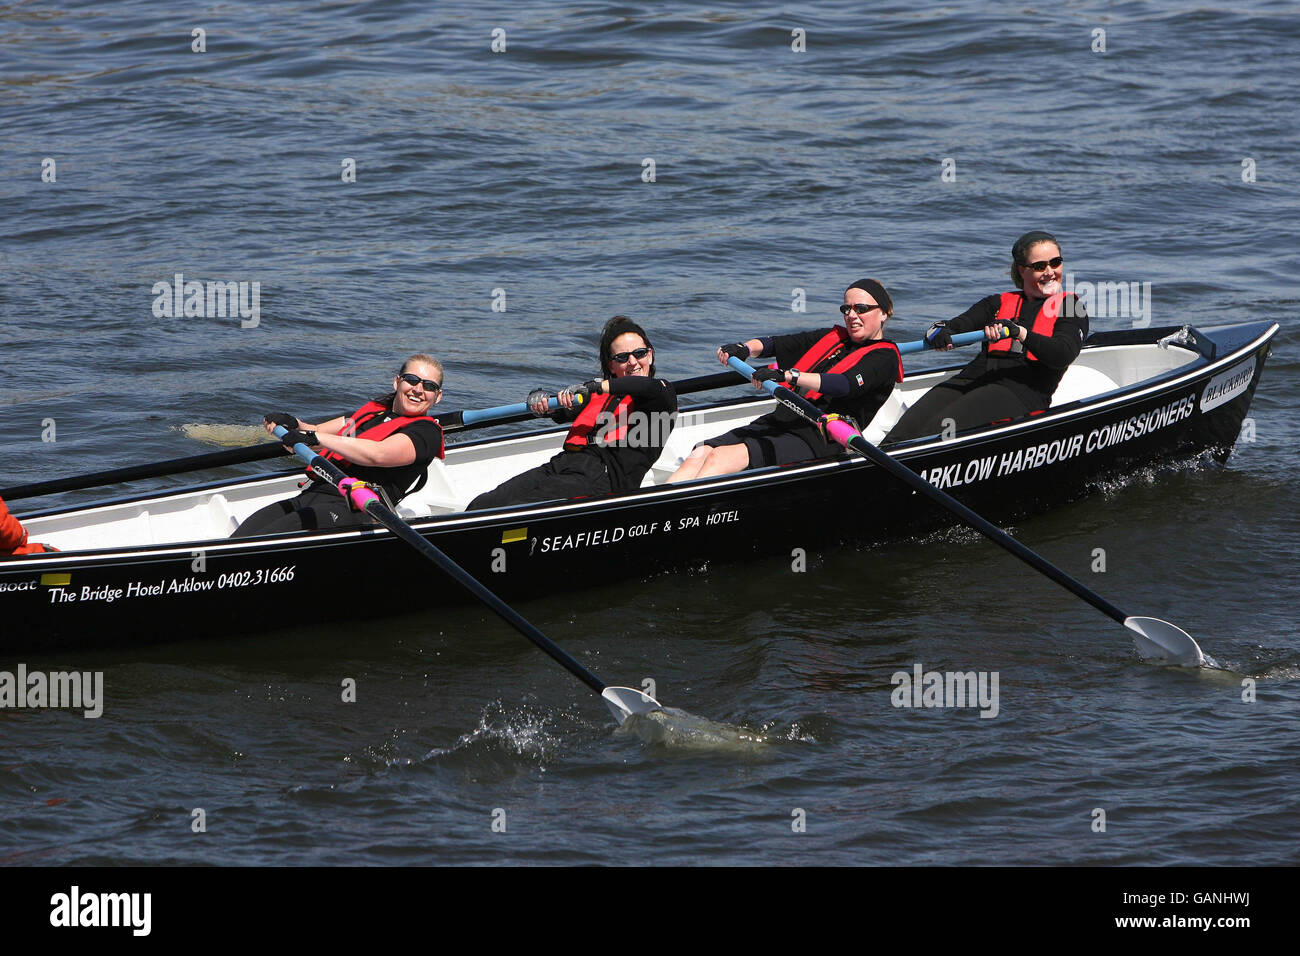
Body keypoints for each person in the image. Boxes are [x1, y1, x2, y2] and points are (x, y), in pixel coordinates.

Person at [669, 279, 903, 481]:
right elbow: (777, 344)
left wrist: (788, 376)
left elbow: (843, 384)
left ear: (883, 313)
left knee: (721, 457)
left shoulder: (884, 357)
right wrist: (744, 348)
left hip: (821, 435)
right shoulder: (832, 338)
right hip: (784, 420)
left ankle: (678, 514)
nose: (851, 315)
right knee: (701, 451)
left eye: (861, 308)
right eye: (846, 308)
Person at [885, 231, 1088, 443]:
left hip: (1020, 390)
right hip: (973, 378)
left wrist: (1019, 332)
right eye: (1039, 266)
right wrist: (940, 332)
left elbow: (1063, 354)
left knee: (937, 431)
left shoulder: (1072, 308)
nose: (1049, 272)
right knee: (904, 431)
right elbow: (957, 325)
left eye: (1055, 263)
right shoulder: (997, 303)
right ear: (1022, 270)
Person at [467, 316, 677, 510]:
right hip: (562, 464)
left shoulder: (661, 392)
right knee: (482, 504)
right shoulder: (599, 396)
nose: (632, 362)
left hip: (605, 477)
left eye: (639, 353)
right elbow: (561, 410)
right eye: (622, 357)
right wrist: (541, 400)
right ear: (612, 366)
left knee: (518, 508)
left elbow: (644, 387)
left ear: (649, 355)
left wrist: (594, 387)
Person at [231, 354, 446, 537]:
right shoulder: (374, 412)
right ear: (397, 382)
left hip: (356, 508)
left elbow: (378, 454)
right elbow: (317, 431)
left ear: (437, 397)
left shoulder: (426, 433)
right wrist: (294, 425)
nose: (418, 389)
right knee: (243, 534)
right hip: (314, 494)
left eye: (429, 386)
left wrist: (315, 438)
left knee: (274, 535)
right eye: (412, 380)